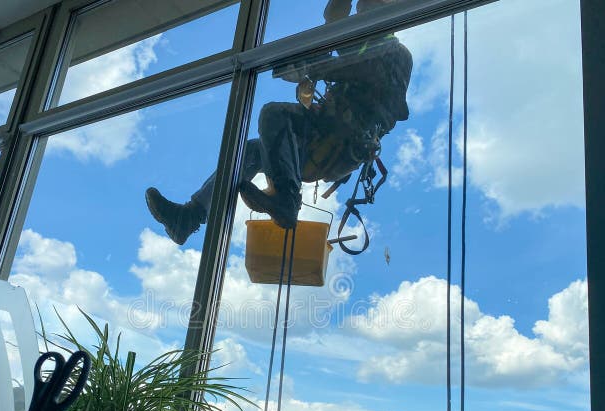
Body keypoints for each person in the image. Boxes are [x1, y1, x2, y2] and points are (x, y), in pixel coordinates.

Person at [146, 0, 413, 245]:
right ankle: (189, 217)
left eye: (366, 8)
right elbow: (334, 20)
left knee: (274, 114)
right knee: (249, 153)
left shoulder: (396, 53)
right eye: (360, 9)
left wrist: (311, 66)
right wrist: (314, 63)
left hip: (344, 140)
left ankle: (285, 199)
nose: (360, 14)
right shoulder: (361, 42)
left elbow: (365, 73)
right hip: (322, 134)